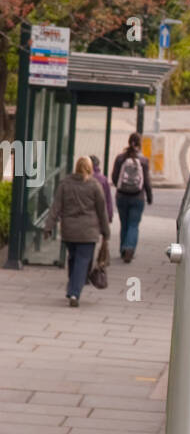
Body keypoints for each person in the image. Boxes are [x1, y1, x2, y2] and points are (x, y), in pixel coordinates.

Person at [44, 156, 111, 307]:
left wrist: (49, 226)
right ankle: (74, 293)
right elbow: (102, 211)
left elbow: (56, 207)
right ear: (90, 168)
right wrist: (106, 232)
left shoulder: (65, 183)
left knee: (74, 258)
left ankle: (72, 285)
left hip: (69, 231)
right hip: (88, 232)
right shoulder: (94, 185)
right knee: (82, 262)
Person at [111, 131, 153, 262]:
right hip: (137, 197)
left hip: (122, 196)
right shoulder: (144, 160)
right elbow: (146, 181)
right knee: (133, 225)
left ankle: (123, 250)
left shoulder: (119, 158)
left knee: (124, 224)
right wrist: (149, 196)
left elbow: (114, 178)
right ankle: (129, 248)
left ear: (128, 142)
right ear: (140, 145)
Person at [90, 155, 114, 224]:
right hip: (98, 214)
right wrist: (109, 215)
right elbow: (108, 199)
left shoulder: (80, 178)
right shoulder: (103, 179)